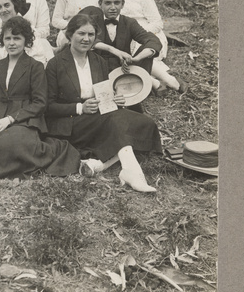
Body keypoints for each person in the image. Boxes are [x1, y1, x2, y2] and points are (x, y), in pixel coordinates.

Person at [45, 13, 161, 192]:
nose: (86, 39)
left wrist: (117, 100)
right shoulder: (55, 64)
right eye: (81, 34)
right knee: (116, 122)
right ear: (70, 35)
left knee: (144, 122)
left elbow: (104, 92)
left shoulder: (98, 61)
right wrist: (79, 108)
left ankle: (99, 165)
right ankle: (133, 172)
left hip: (100, 116)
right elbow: (48, 106)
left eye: (91, 35)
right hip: (71, 121)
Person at [0, 16, 80, 179]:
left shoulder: (35, 67)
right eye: (7, 38)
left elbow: (40, 103)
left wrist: (10, 119)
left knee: (15, 141)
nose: (12, 43)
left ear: (26, 41)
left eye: (17, 38)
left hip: (24, 122)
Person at [110, 0, 183, 93]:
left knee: (135, 54)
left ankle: (166, 80)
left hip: (146, 35)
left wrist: (137, 33)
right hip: (122, 36)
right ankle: (154, 81)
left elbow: (157, 23)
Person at [83, 0, 162, 77]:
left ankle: (140, 84)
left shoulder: (129, 22)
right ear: (100, 4)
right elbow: (84, 38)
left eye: (116, 3)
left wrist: (137, 58)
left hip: (122, 70)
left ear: (122, 4)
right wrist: (114, 50)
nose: (113, 8)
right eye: (108, 3)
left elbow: (152, 40)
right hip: (96, 71)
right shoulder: (93, 20)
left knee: (148, 50)